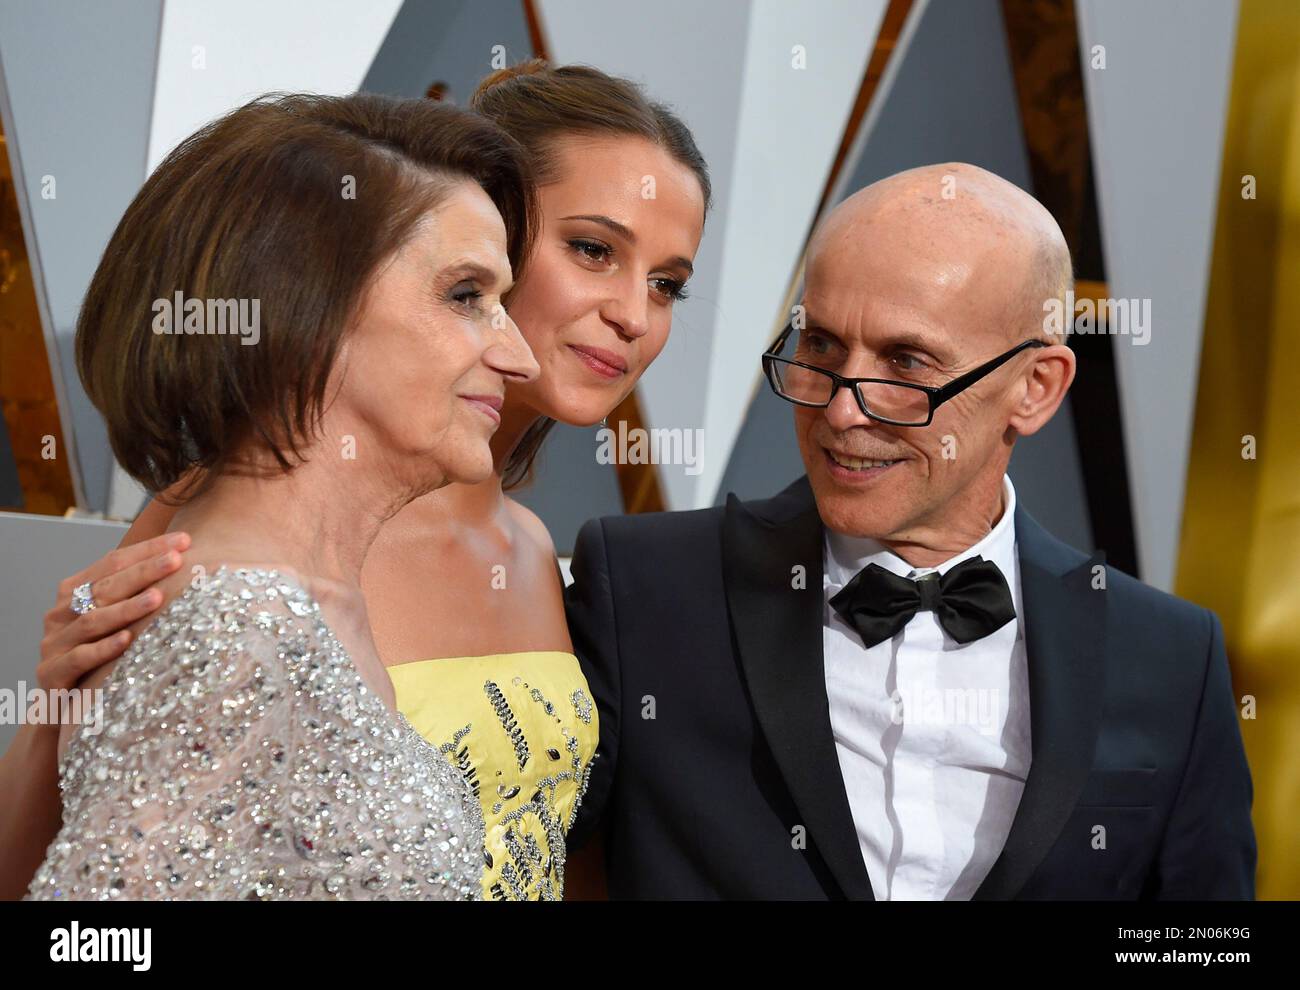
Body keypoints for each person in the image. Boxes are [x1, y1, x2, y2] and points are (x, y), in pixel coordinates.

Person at [1, 61, 709, 902]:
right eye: (593, 249)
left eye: (668, 285)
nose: (635, 312)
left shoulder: (530, 548)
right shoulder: (249, 514)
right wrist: (55, 721)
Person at [563, 163, 1256, 899]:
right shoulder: (644, 591)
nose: (841, 412)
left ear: (1036, 387)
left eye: (905, 362)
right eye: (822, 347)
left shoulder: (1170, 657)